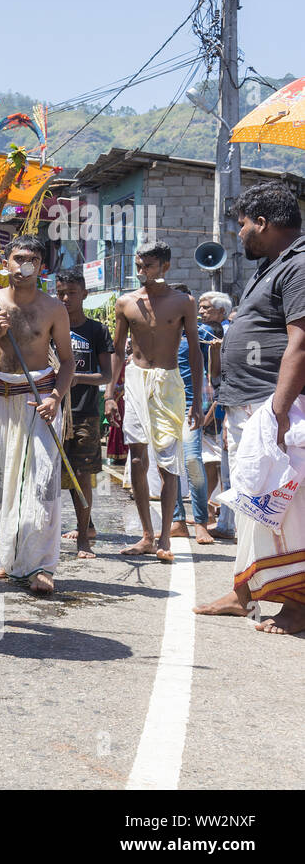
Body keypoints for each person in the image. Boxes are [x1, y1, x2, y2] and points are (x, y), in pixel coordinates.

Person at [195, 182, 305, 635]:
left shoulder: (299, 265)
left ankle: (297, 604)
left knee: (284, 509)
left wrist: (279, 409)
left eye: (242, 223)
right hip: (249, 405)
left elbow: (301, 338)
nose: (239, 233)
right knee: (252, 506)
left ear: (262, 221)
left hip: (274, 405)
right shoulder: (273, 266)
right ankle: (244, 593)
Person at [0, 238, 73, 594]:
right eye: (18, 258)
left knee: (43, 483)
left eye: (32, 259)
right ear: (7, 262)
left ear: (41, 265)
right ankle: (12, 561)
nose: (24, 265)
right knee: (6, 485)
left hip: (41, 401)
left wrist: (55, 397)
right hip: (3, 399)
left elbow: (67, 362)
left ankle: (42, 566)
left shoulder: (53, 308)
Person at [105, 241, 202, 562]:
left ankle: (165, 538)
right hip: (134, 380)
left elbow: (195, 352)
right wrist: (110, 392)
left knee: (169, 461)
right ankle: (147, 535)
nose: (142, 272)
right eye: (139, 265)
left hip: (169, 382)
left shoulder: (183, 302)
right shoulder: (126, 303)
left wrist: (197, 400)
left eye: (148, 265)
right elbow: (118, 351)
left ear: (165, 267)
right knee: (136, 458)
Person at [55, 267, 114, 559]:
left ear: (84, 294)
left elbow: (106, 375)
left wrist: (77, 378)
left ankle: (84, 539)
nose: (65, 298)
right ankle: (70, 529)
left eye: (72, 293)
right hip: (53, 410)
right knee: (53, 474)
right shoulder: (53, 325)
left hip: (85, 412)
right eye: (60, 293)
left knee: (82, 474)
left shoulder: (96, 330)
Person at [167, 283, 221, 545]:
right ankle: (177, 522)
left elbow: (212, 370)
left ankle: (201, 523)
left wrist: (200, 404)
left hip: (190, 403)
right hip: (164, 405)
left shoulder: (199, 332)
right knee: (170, 464)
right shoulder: (160, 331)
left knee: (192, 461)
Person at [198, 290, 236, 540]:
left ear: (221, 312)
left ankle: (225, 522)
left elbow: (223, 381)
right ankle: (221, 519)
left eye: (206, 308)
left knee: (228, 468)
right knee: (223, 467)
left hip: (228, 409)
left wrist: (208, 418)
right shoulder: (212, 336)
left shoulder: (226, 335)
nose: (201, 312)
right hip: (221, 407)